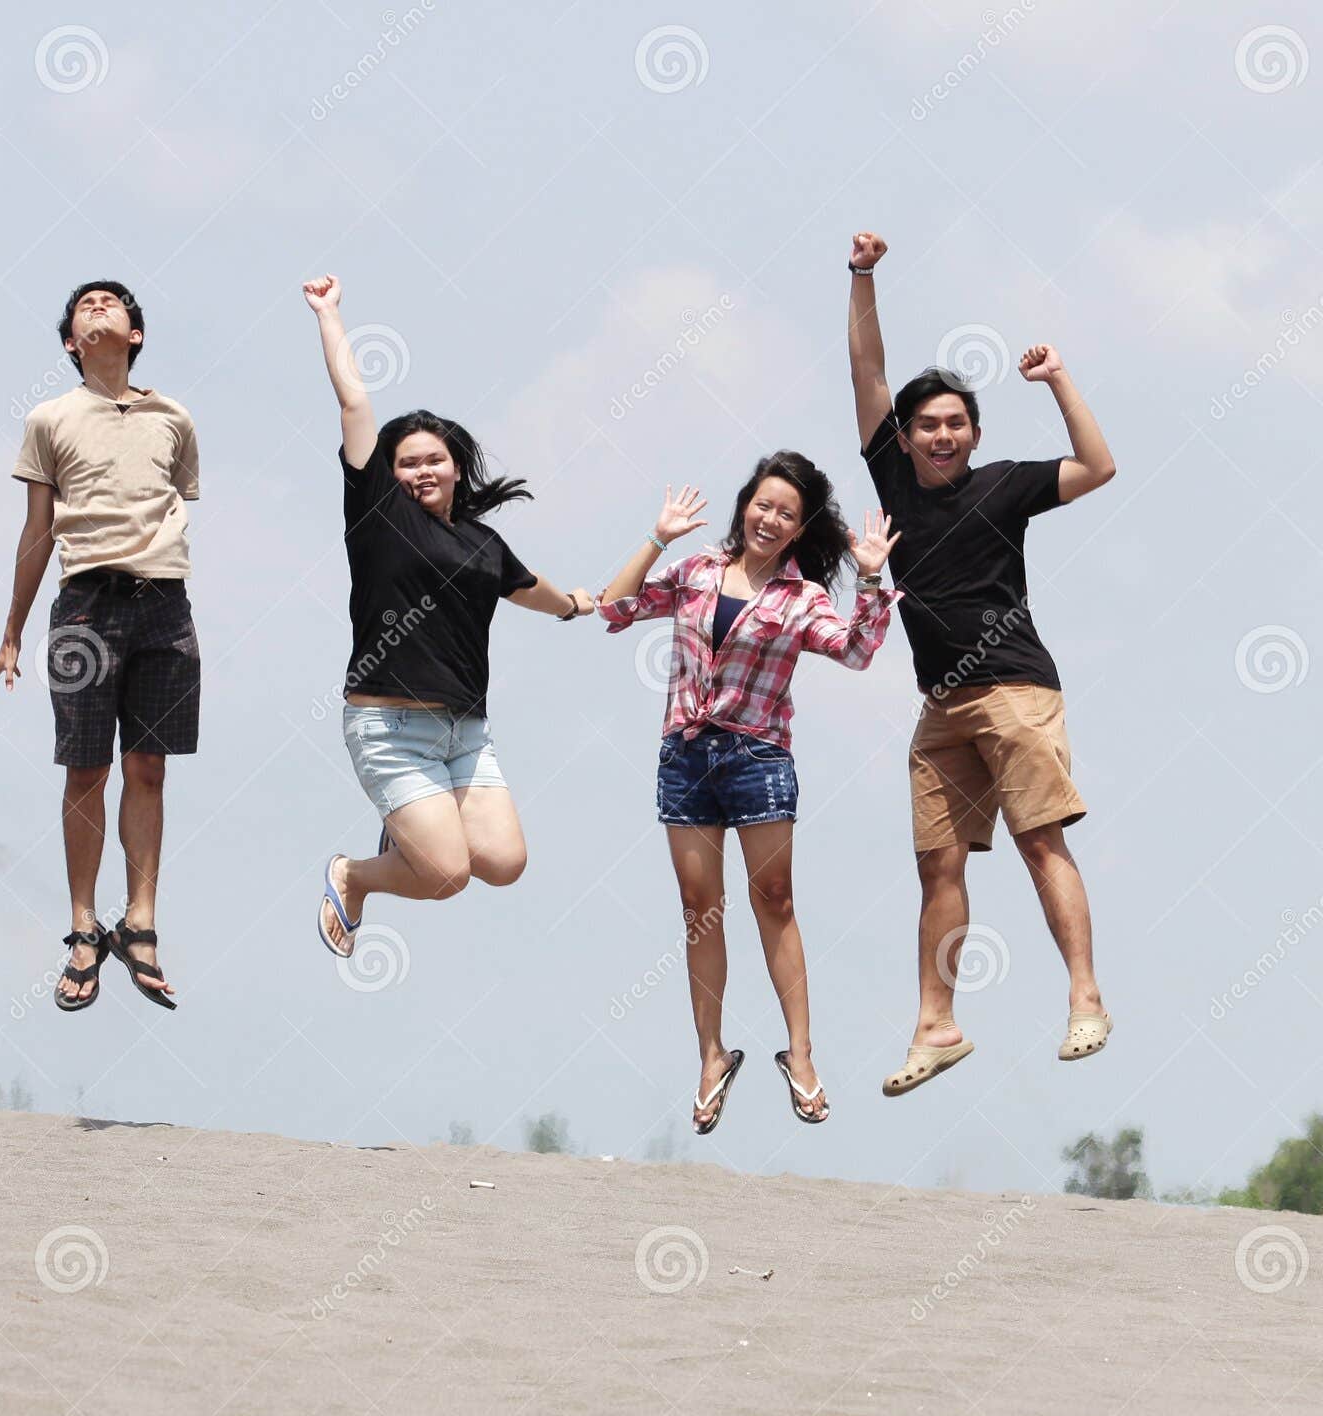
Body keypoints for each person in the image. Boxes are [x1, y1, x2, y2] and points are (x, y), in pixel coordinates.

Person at [845, 231, 1118, 1095]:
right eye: (927, 424)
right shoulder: (892, 477)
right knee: (938, 864)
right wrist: (862, 277)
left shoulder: (1004, 483)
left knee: (1040, 839)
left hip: (1016, 691)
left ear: (973, 433)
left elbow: (1099, 466)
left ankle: (1085, 997)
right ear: (909, 435)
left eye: (954, 423)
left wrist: (1059, 379)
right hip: (941, 708)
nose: (939, 435)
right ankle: (938, 1025)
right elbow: (868, 376)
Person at [597, 457, 902, 1132]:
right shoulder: (697, 569)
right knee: (699, 908)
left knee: (775, 900)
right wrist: (658, 538)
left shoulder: (803, 598)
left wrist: (872, 578)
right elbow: (614, 610)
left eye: (786, 514)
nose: (770, 519)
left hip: (758, 756)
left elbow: (855, 651)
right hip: (685, 754)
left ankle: (801, 1053)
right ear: (745, 506)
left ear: (798, 531)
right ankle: (711, 1057)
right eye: (763, 505)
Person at [303, 274, 596, 958]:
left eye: (434, 459)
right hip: (390, 724)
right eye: (407, 462)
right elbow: (353, 400)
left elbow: (527, 587)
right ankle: (353, 874)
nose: (421, 470)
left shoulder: (481, 543)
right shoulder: (379, 512)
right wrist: (330, 315)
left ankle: (404, 832)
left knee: (503, 861)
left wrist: (576, 605)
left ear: (457, 467)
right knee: (445, 875)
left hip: (464, 731)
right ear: (389, 471)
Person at [0, 280, 200, 1013]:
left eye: (114, 302)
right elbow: (37, 531)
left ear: (136, 333)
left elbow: (173, 505)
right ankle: (82, 929)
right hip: (84, 606)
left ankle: (140, 924)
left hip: (164, 605)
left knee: (149, 765)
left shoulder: (174, 418)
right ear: (72, 342)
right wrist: (11, 632)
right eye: (85, 306)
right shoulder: (50, 418)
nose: (99, 306)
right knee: (86, 769)